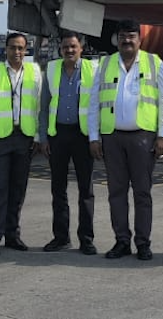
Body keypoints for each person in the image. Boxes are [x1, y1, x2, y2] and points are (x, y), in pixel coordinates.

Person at [88, 18, 163, 261]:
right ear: (118, 39)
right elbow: (94, 102)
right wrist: (94, 136)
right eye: (123, 36)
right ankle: (121, 241)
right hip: (112, 137)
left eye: (131, 36)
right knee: (116, 192)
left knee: (142, 192)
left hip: (143, 137)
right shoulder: (104, 64)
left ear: (139, 39)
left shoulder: (154, 63)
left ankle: (143, 243)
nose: (127, 40)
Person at [0, 32, 42, 257]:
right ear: (5, 49)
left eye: (21, 48)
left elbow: (38, 108)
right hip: (1, 139)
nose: (17, 52)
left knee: (18, 190)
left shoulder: (35, 72)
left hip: (25, 138)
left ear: (26, 50)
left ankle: (12, 235)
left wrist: (36, 137)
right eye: (13, 48)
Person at [39, 31, 97, 255]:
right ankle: (61, 237)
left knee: (86, 190)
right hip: (59, 135)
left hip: (82, 136)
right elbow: (44, 107)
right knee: (58, 189)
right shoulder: (52, 70)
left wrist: (95, 137)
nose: (69, 51)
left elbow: (97, 106)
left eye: (73, 47)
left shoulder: (93, 70)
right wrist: (43, 137)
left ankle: (87, 239)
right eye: (65, 48)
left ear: (81, 48)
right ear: (60, 50)